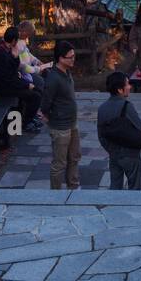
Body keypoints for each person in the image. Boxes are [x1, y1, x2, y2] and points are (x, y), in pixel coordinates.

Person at [96, 71, 141, 190]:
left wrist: (111, 150)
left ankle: (113, 207)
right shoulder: (127, 106)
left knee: (115, 186)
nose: (129, 87)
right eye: (127, 84)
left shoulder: (102, 108)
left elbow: (101, 136)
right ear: (120, 90)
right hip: (131, 154)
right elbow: (140, 128)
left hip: (114, 155)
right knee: (134, 187)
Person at [40, 41, 80, 190]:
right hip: (60, 127)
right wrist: (47, 116)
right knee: (59, 163)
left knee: (74, 157)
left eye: (74, 56)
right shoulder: (53, 79)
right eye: (69, 57)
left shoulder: (67, 72)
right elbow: (46, 102)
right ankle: (56, 194)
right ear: (60, 58)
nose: (73, 59)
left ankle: (73, 187)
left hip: (72, 123)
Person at [0, 26, 41, 133]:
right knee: (35, 96)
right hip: (5, 87)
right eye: (17, 39)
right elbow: (8, 78)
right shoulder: (2, 54)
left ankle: (28, 119)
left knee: (37, 90)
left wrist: (15, 56)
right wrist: (26, 85)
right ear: (14, 40)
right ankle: (25, 123)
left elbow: (14, 68)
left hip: (11, 82)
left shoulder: (6, 49)